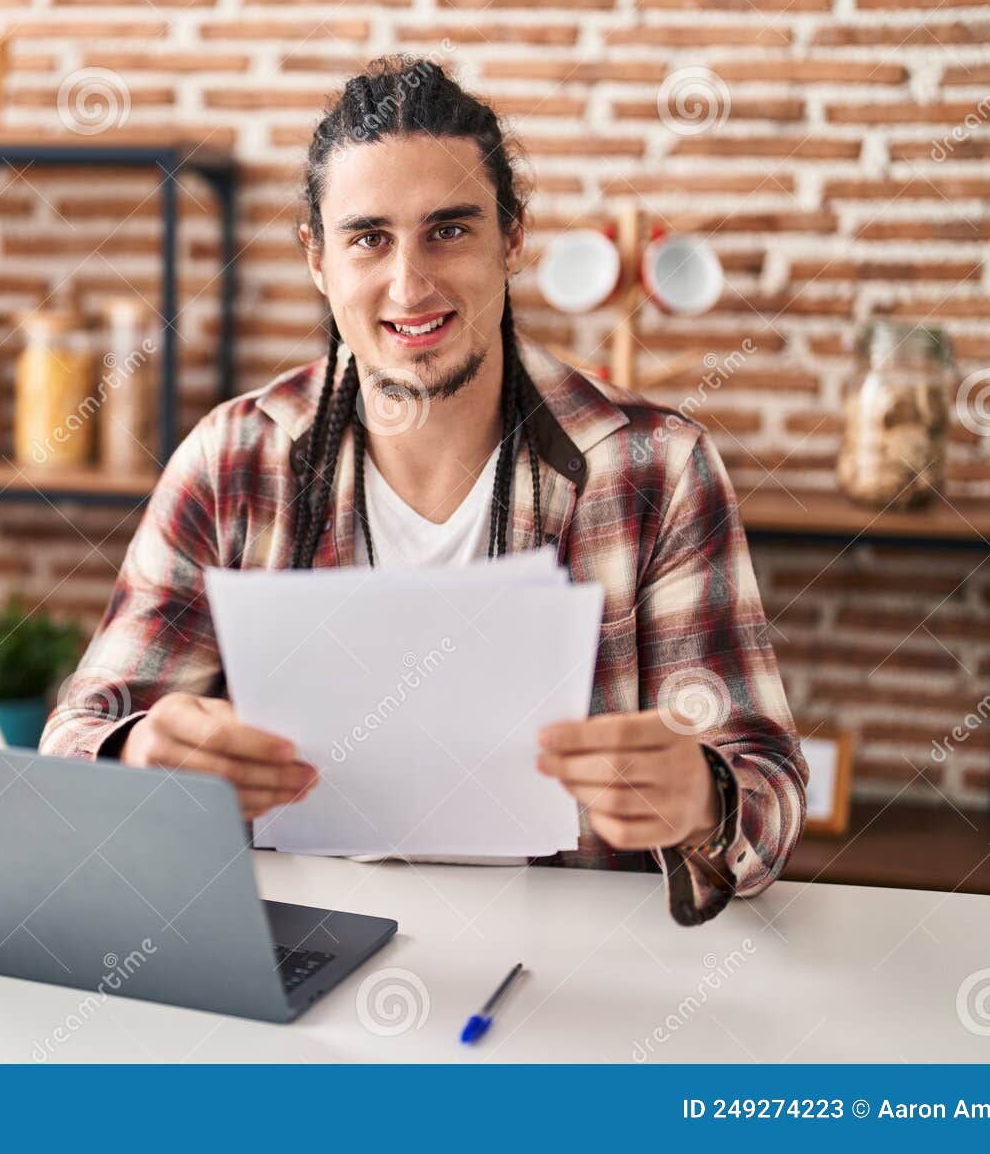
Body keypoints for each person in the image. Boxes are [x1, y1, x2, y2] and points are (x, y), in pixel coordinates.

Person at [41, 55, 806, 927]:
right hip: (294, 940)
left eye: (450, 230)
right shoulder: (233, 460)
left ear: (512, 240)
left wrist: (706, 798)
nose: (410, 285)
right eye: (368, 238)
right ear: (317, 259)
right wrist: (133, 751)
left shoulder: (656, 466)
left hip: (573, 963)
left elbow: (769, 789)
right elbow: (76, 739)